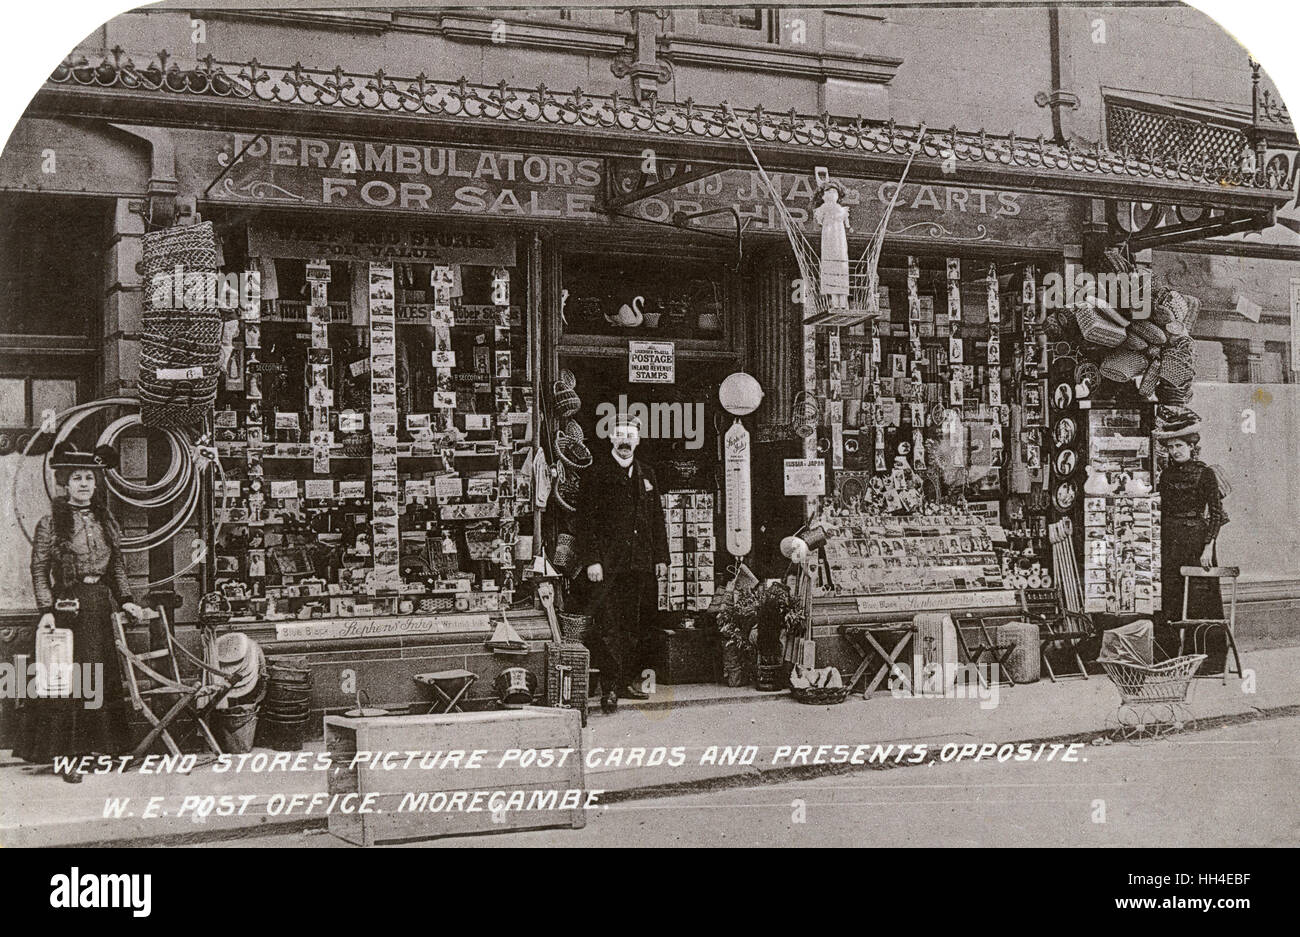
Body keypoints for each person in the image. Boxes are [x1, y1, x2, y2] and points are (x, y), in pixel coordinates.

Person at [16, 442, 144, 781]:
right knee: (68, 682)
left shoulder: (106, 520)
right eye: (76, 478)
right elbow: (39, 569)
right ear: (64, 483)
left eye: (89, 477)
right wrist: (46, 609)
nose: (84, 484)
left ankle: (98, 750)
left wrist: (127, 598)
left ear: (96, 482)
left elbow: (117, 565)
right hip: (66, 609)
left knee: (98, 677)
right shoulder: (51, 523)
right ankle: (67, 757)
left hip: (99, 606)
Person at [576, 419, 668, 714]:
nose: (625, 441)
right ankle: (609, 687)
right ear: (611, 439)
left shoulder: (647, 473)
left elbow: (657, 521)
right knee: (608, 627)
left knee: (631, 626)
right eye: (620, 436)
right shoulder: (596, 474)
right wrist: (592, 560)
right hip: (607, 566)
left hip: (638, 564)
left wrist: (661, 558)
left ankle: (626, 680)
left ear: (638, 441)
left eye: (630, 436)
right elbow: (585, 523)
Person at [1155, 417, 1227, 660]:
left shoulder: (1205, 473)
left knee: (1200, 597)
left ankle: (1207, 659)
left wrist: (1208, 546)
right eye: (1171, 447)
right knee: (1172, 595)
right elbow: (1163, 510)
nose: (1175, 451)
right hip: (1171, 540)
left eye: (1180, 446)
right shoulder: (1165, 475)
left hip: (1197, 541)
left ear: (1191, 447)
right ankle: (1172, 657)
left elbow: (1215, 514)